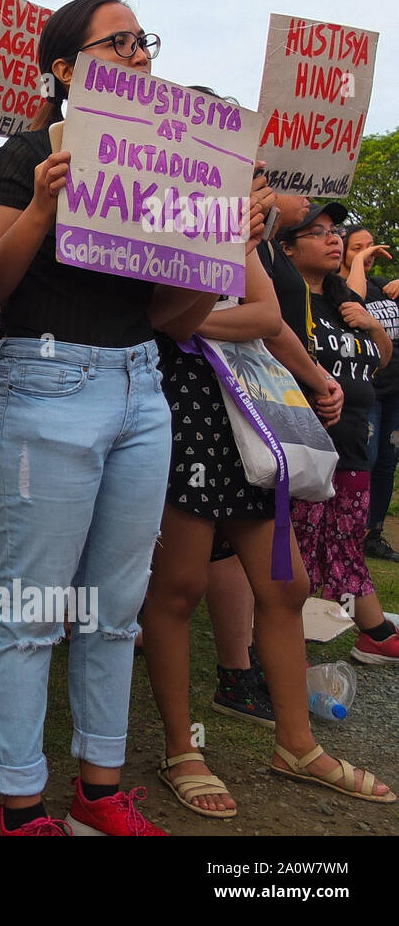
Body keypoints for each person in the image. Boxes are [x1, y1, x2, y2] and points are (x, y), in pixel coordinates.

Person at [0, 0, 201, 836]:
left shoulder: (169, 167)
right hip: (43, 383)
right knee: (31, 610)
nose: (141, 53)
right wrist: (40, 206)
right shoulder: (21, 155)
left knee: (115, 609)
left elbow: (176, 320)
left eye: (145, 39)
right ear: (65, 69)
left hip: (144, 390)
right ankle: (23, 805)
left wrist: (223, 247)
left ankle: (99, 795)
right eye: (120, 41)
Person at [143, 189, 394, 815]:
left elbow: (263, 316)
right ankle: (181, 749)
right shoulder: (152, 220)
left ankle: (297, 745)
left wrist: (315, 375)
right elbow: (162, 315)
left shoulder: (239, 232)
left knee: (285, 585)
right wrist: (195, 317)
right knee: (177, 588)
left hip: (248, 416)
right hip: (180, 412)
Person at [278, 204, 399, 663]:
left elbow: (379, 359)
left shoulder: (344, 299)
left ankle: (368, 632)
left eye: (335, 232)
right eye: (317, 232)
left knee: (344, 542)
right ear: (286, 247)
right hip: (307, 446)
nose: (333, 240)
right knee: (302, 552)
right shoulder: (286, 299)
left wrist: (371, 325)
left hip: (352, 447)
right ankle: (283, 645)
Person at [338, 225, 399, 561]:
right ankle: (351, 531)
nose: (369, 253)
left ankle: (373, 533)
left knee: (388, 461)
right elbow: (352, 301)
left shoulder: (380, 287)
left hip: (394, 387)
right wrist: (359, 261)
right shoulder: (343, 289)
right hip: (369, 388)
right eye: (358, 248)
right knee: (368, 455)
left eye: (371, 246)